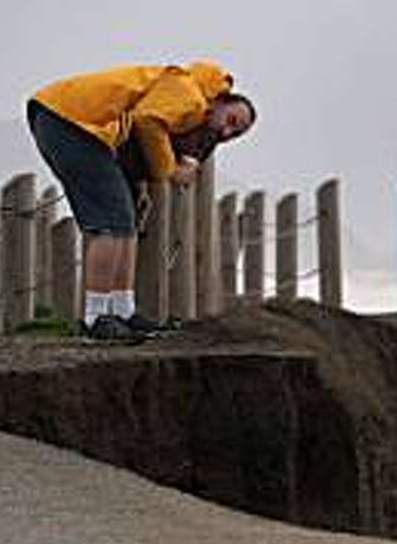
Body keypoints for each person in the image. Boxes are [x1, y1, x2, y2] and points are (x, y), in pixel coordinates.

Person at [27, 60, 257, 340]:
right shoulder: (191, 94)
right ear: (220, 101)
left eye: (236, 134)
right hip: (71, 122)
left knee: (127, 224)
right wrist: (169, 171)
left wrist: (139, 187)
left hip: (70, 122)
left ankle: (123, 311)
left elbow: (134, 136)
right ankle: (95, 318)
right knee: (112, 224)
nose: (227, 132)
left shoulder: (185, 97)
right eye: (232, 121)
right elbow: (148, 121)